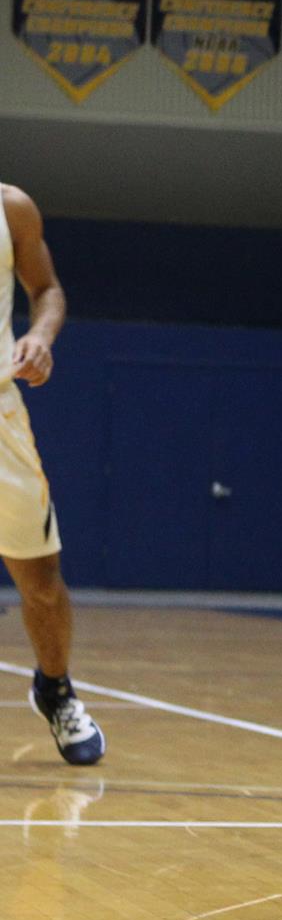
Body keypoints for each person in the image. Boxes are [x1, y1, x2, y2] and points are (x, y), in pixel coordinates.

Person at [0, 184, 102, 767]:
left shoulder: (12, 207)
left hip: (1, 414)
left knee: (39, 582)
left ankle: (55, 689)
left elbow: (47, 290)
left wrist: (38, 337)